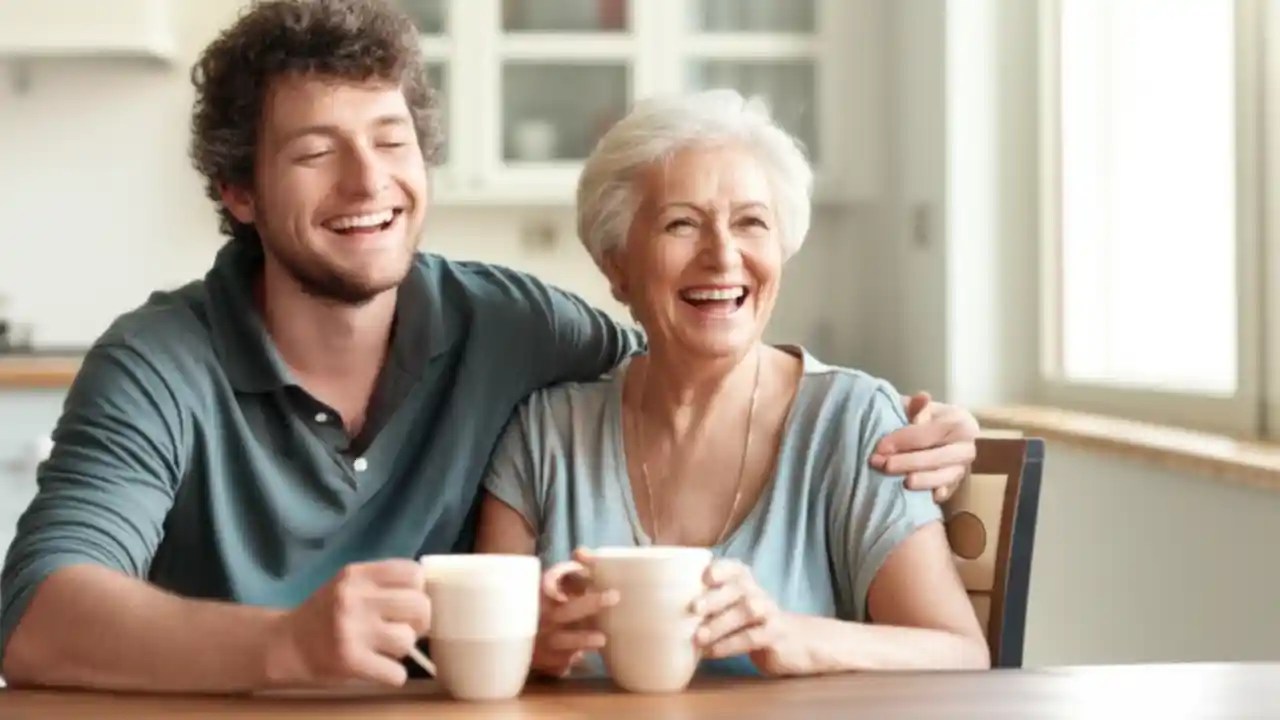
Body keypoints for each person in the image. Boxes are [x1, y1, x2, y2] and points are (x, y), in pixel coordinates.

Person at [0, 0, 978, 693]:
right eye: (313, 151)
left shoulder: (516, 329)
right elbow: (37, 617)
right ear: (239, 193)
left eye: (390, 141)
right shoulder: (159, 364)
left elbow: (697, 340)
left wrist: (900, 420)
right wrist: (284, 645)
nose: (365, 182)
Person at [475, 90, 990, 679]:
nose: (723, 256)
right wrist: (526, 647)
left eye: (750, 223)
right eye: (681, 224)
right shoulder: (545, 435)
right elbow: (488, 648)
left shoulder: (852, 423)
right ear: (617, 266)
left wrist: (794, 636)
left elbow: (959, 652)